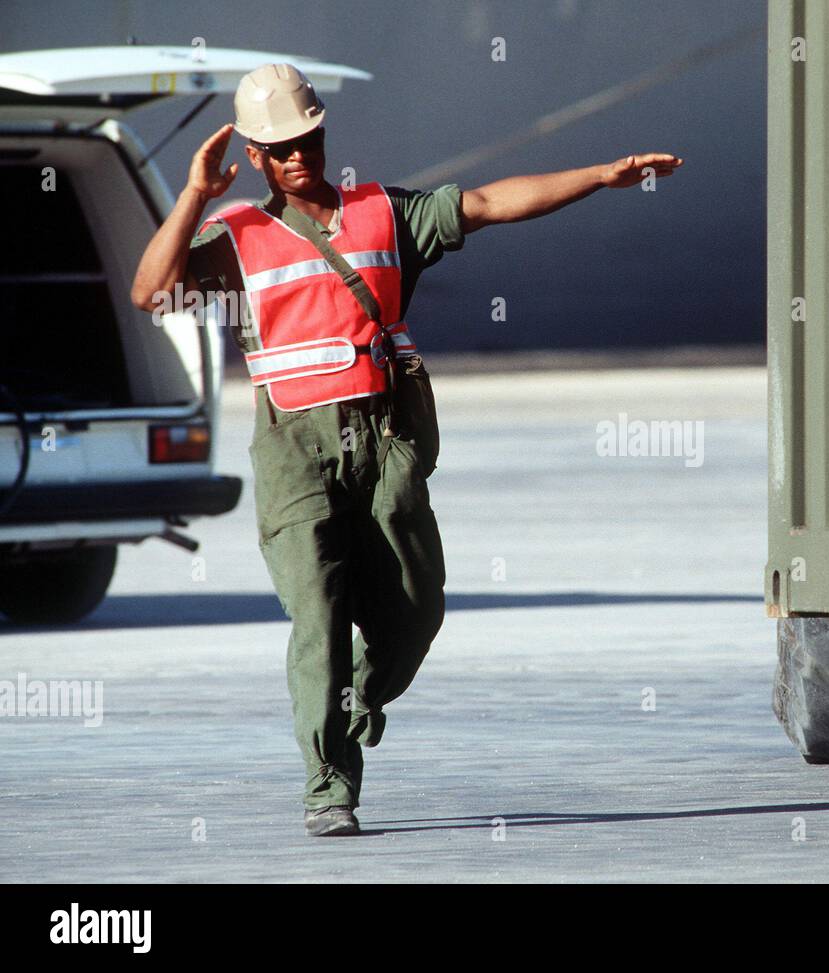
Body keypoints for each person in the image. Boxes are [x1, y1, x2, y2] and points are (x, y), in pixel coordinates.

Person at [131, 63, 682, 837]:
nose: (298, 155)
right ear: (254, 156)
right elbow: (152, 293)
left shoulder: (385, 213)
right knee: (317, 616)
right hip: (295, 452)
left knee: (418, 611)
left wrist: (599, 174)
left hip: (384, 444)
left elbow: (488, 203)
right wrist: (195, 195)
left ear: (324, 134)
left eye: (308, 138)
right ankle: (329, 784)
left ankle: (359, 697)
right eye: (280, 146)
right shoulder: (239, 241)